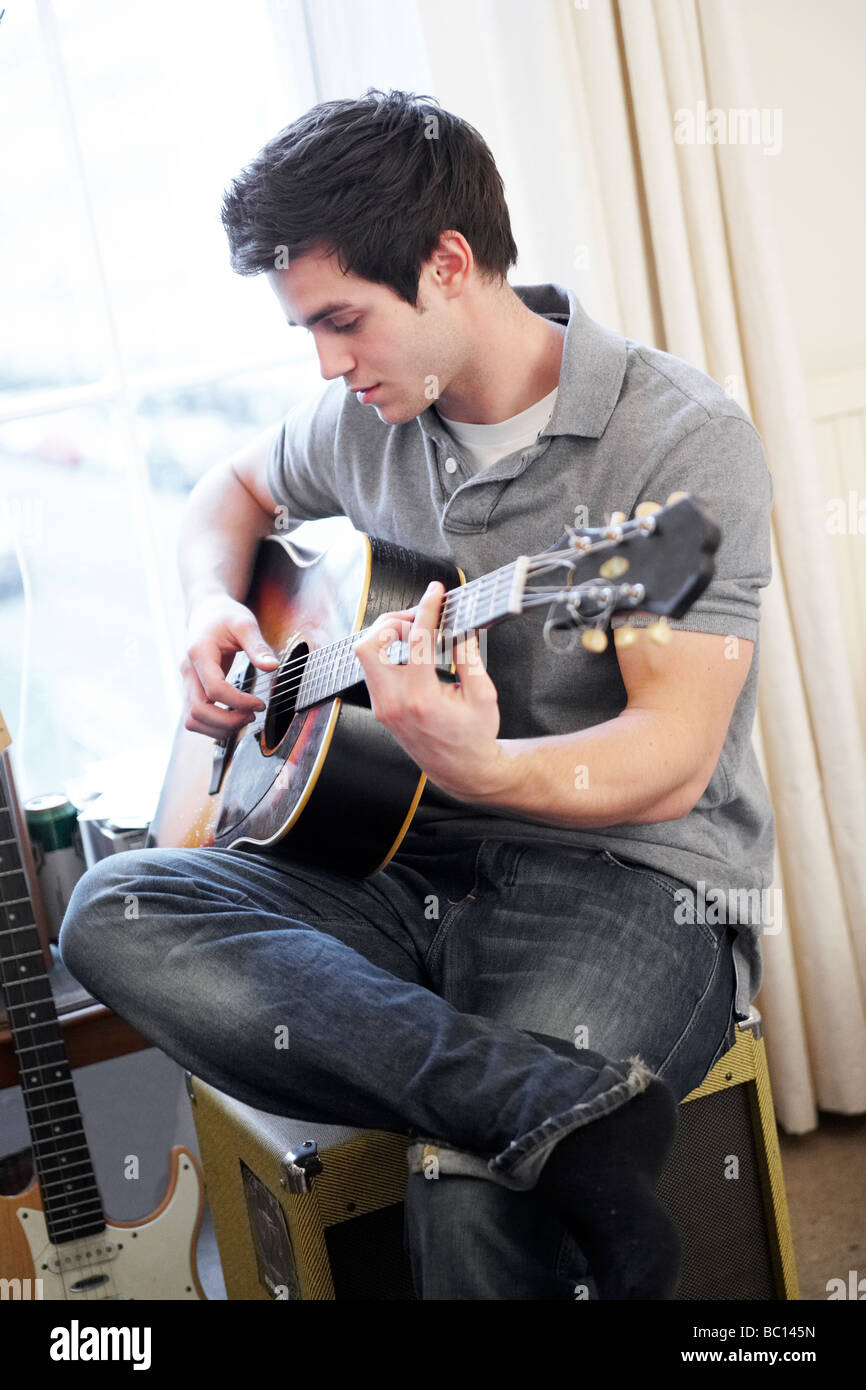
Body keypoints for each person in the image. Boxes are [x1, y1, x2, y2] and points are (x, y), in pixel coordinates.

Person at [59, 88, 775, 1301]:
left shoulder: (672, 446)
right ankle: (538, 1099)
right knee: (110, 912)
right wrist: (206, 607)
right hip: (394, 864)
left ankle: (507, 1116)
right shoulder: (364, 420)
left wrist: (485, 768)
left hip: (630, 878)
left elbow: (671, 751)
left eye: (342, 321)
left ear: (447, 265)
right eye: (308, 333)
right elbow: (226, 491)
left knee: (473, 1195)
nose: (328, 365)